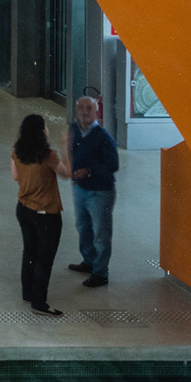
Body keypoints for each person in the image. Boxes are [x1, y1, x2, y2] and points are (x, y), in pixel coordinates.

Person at [12, 112, 68, 317]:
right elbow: (65, 173)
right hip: (47, 215)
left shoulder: (17, 151)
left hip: (24, 209)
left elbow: (15, 176)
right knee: (45, 259)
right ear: (40, 132)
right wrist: (65, 147)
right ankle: (39, 302)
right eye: (45, 126)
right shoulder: (48, 155)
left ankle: (28, 293)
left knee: (30, 253)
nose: (47, 129)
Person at [67, 93, 119, 288]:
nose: (84, 112)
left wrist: (88, 172)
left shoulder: (103, 137)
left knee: (101, 233)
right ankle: (89, 261)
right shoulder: (75, 130)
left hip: (100, 192)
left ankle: (100, 272)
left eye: (89, 109)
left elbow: (113, 165)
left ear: (97, 112)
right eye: (81, 108)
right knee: (83, 226)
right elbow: (70, 148)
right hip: (80, 189)